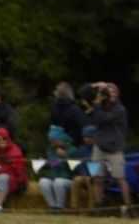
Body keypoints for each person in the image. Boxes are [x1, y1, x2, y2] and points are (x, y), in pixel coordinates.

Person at [87, 81, 133, 217]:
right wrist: (95, 86)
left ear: (118, 94)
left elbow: (102, 119)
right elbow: (82, 93)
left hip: (115, 148)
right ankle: (98, 207)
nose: (111, 94)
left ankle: (129, 207)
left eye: (113, 91)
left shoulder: (119, 110)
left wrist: (97, 104)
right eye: (108, 91)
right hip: (99, 147)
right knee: (97, 178)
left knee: (120, 178)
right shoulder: (101, 106)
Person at [36, 127, 76, 213]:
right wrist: (43, 163)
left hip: (69, 179)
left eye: (55, 141)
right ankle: (52, 206)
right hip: (53, 177)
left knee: (58, 182)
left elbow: (74, 167)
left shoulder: (73, 150)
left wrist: (65, 157)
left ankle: (60, 207)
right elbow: (51, 163)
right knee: (43, 181)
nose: (53, 143)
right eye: (51, 141)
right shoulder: (51, 150)